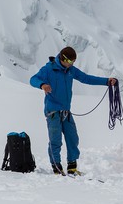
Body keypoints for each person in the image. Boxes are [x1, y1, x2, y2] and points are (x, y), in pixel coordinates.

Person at [30, 46, 117, 175]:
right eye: (70, 61)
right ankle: (57, 167)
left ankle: (72, 167)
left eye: (74, 62)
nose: (72, 64)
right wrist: (42, 85)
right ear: (63, 59)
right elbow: (33, 79)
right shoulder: (49, 69)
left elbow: (86, 78)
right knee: (55, 141)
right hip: (53, 112)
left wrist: (106, 82)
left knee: (73, 138)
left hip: (66, 111)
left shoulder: (70, 70)